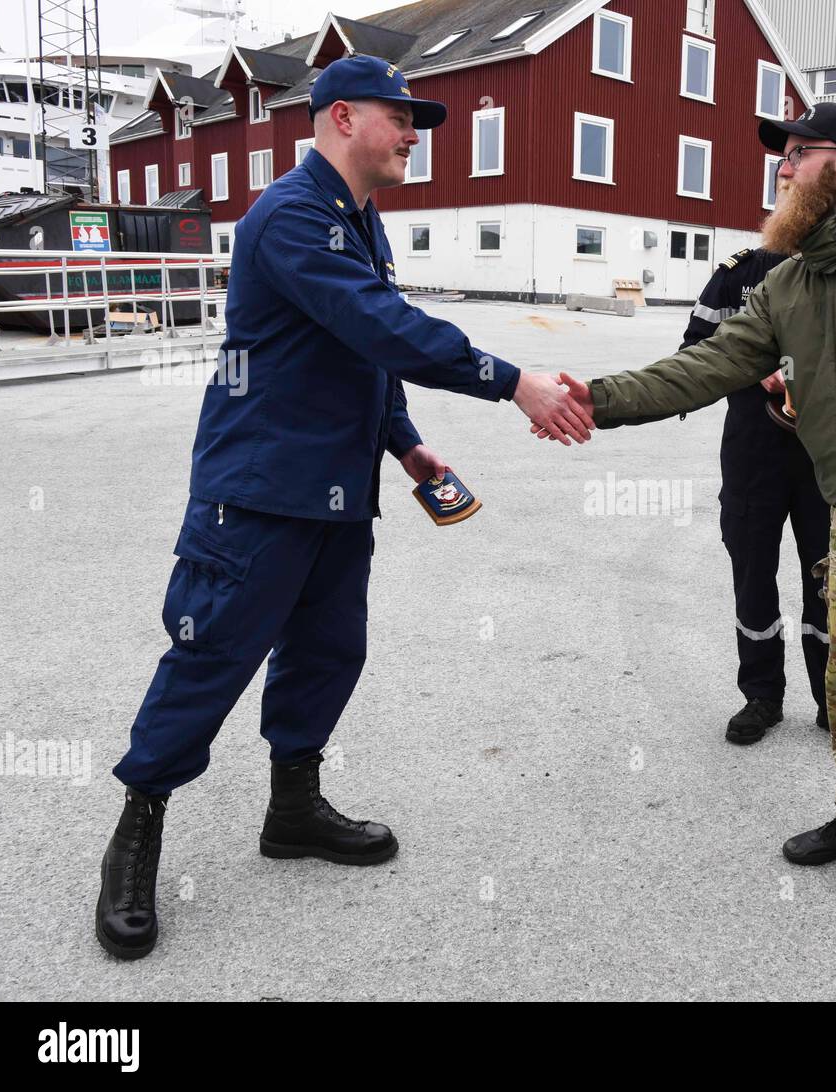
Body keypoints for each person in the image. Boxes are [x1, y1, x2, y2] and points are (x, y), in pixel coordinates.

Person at [95, 54, 591, 960]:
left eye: (416, 121)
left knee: (328, 651)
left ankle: (292, 810)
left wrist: (405, 443)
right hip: (257, 492)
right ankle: (135, 834)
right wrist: (514, 381)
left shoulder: (360, 219)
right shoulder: (289, 215)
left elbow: (362, 353)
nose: (412, 134)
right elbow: (378, 324)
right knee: (211, 655)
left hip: (335, 492)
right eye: (399, 118)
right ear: (338, 118)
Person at [537, 103, 836, 947]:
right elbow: (706, 364)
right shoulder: (788, 283)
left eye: (801, 154)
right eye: (782, 157)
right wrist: (597, 401)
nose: (783, 169)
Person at [681, 247, 830, 745]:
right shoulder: (737, 275)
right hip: (752, 456)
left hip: (828, 458)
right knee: (752, 576)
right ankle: (762, 695)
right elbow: (694, 353)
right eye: (785, 179)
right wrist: (753, 371)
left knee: (833, 582)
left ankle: (835, 699)